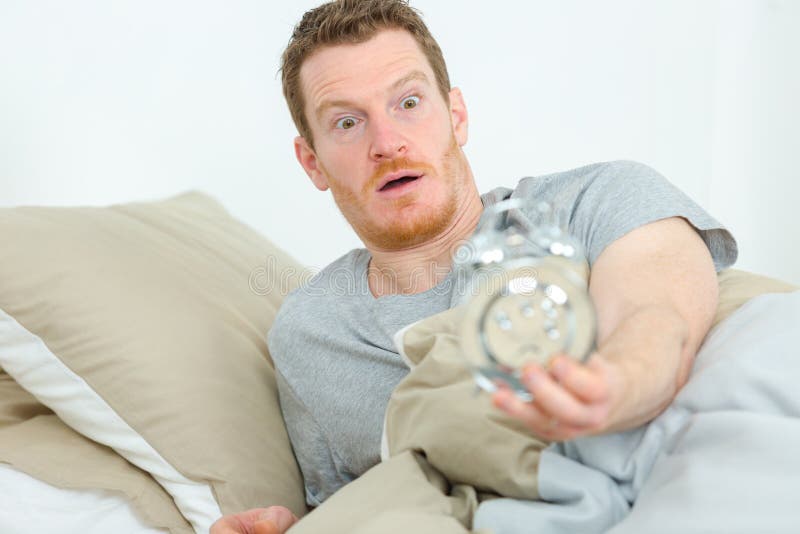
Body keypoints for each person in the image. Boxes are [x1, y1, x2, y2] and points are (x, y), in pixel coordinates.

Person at [211, 1, 736, 532]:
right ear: (312, 162)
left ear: (456, 116)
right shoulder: (310, 335)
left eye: (409, 102)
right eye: (347, 123)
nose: (387, 143)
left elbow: (658, 317)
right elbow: (357, 505)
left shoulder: (593, 200)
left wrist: (615, 386)